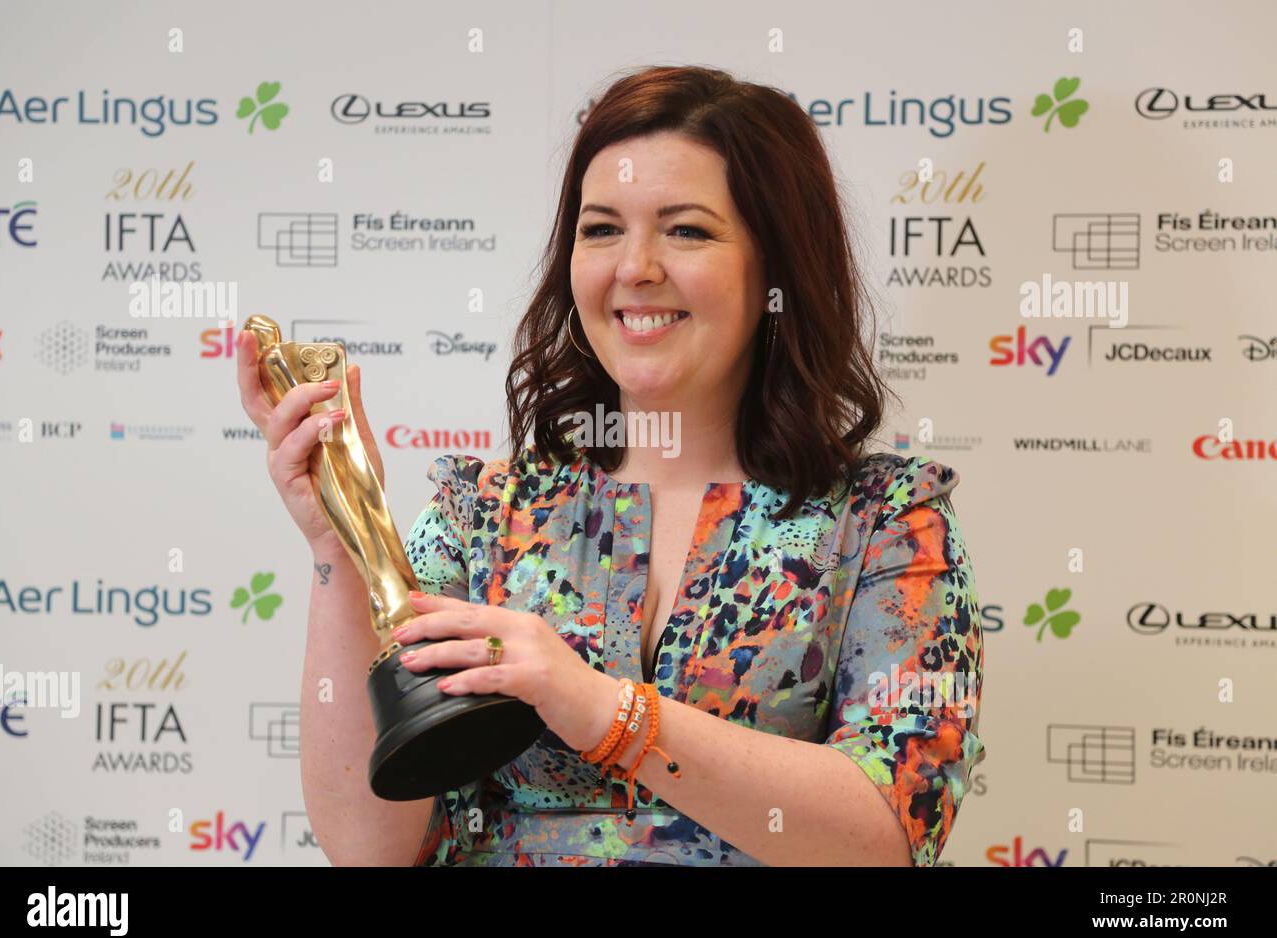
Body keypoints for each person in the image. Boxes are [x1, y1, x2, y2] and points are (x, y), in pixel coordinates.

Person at [236, 64, 985, 867]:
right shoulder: (481, 516)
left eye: (686, 230)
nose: (635, 268)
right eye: (601, 230)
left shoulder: (886, 524)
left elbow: (890, 834)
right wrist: (337, 550)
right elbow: (368, 848)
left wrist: (601, 708)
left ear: (776, 266)